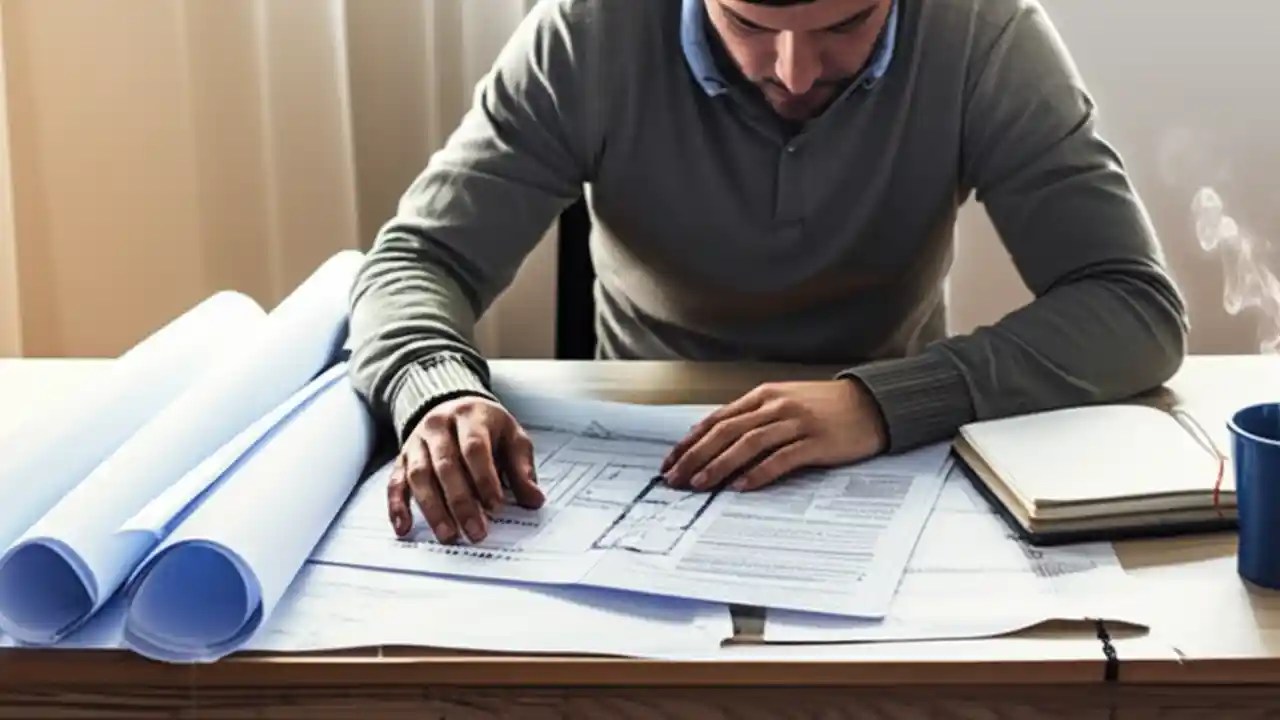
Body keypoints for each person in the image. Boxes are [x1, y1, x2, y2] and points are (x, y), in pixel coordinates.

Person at [347, 0, 1189, 545]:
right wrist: (435, 386)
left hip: (893, 456)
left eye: (844, 26)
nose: (792, 74)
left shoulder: (984, 34)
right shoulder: (587, 31)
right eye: (747, 25)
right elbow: (418, 258)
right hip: (639, 462)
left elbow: (1132, 302)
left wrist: (883, 401)